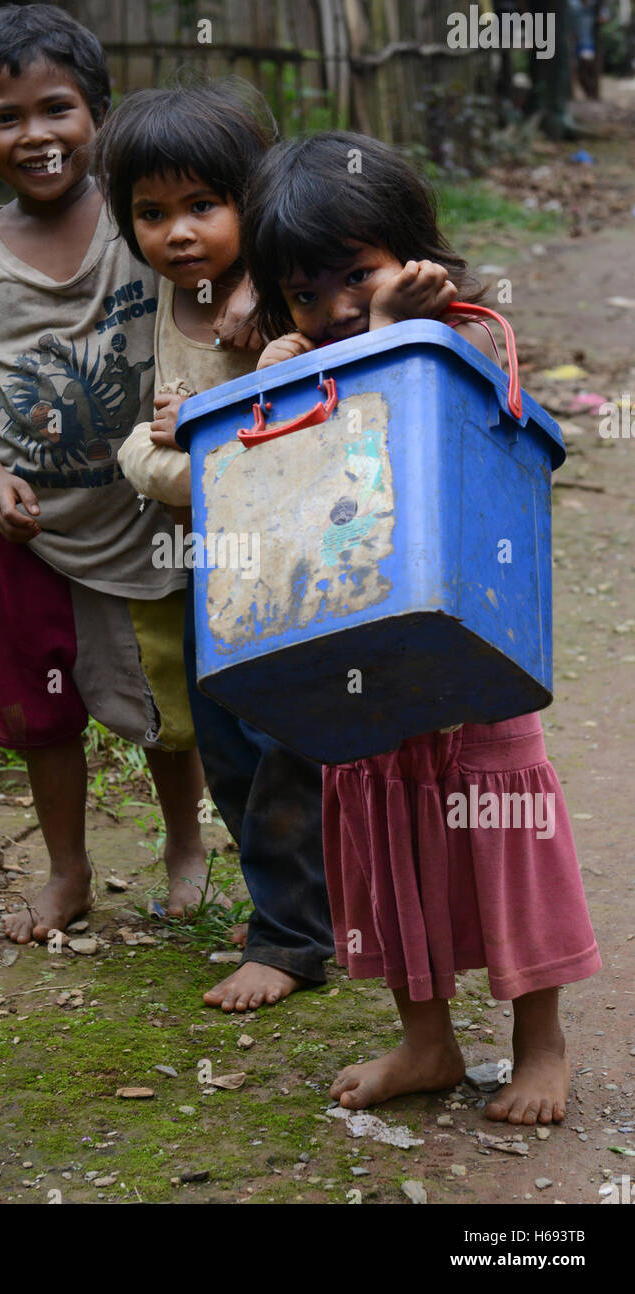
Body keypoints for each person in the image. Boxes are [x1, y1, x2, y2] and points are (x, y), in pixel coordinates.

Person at [242, 131, 601, 1122]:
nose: (333, 311)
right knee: (385, 828)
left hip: (471, 648)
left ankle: (541, 1040)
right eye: (303, 295)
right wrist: (274, 368)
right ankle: (427, 1041)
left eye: (354, 276)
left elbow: (438, 412)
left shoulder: (469, 334)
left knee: (502, 829)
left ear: (413, 252)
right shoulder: (298, 360)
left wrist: (398, 330)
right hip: (359, 643)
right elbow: (285, 481)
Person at [0, 5, 253, 943]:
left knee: (168, 695)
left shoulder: (146, 218)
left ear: (99, 113)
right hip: (23, 526)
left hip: (147, 512)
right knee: (40, 708)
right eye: (5, 118)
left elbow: (234, 253)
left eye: (56, 108)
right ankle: (68, 872)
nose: (36, 135)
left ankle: (185, 844)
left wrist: (248, 289)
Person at [95, 81, 334, 1011]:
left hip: (293, 566)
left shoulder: (287, 305)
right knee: (228, 744)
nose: (179, 232)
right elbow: (155, 448)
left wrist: (260, 302)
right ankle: (296, 899)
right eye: (152, 213)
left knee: (285, 742)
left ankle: (293, 936)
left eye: (205, 205)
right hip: (207, 569)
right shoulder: (162, 298)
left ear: (254, 205)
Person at [569, 0, 607, 100]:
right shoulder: (572, 4)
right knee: (577, 69)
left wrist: (601, 19)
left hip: (589, 42)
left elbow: (605, 16)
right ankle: (585, 93)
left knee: (587, 66)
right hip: (575, 41)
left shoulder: (595, 3)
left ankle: (591, 92)